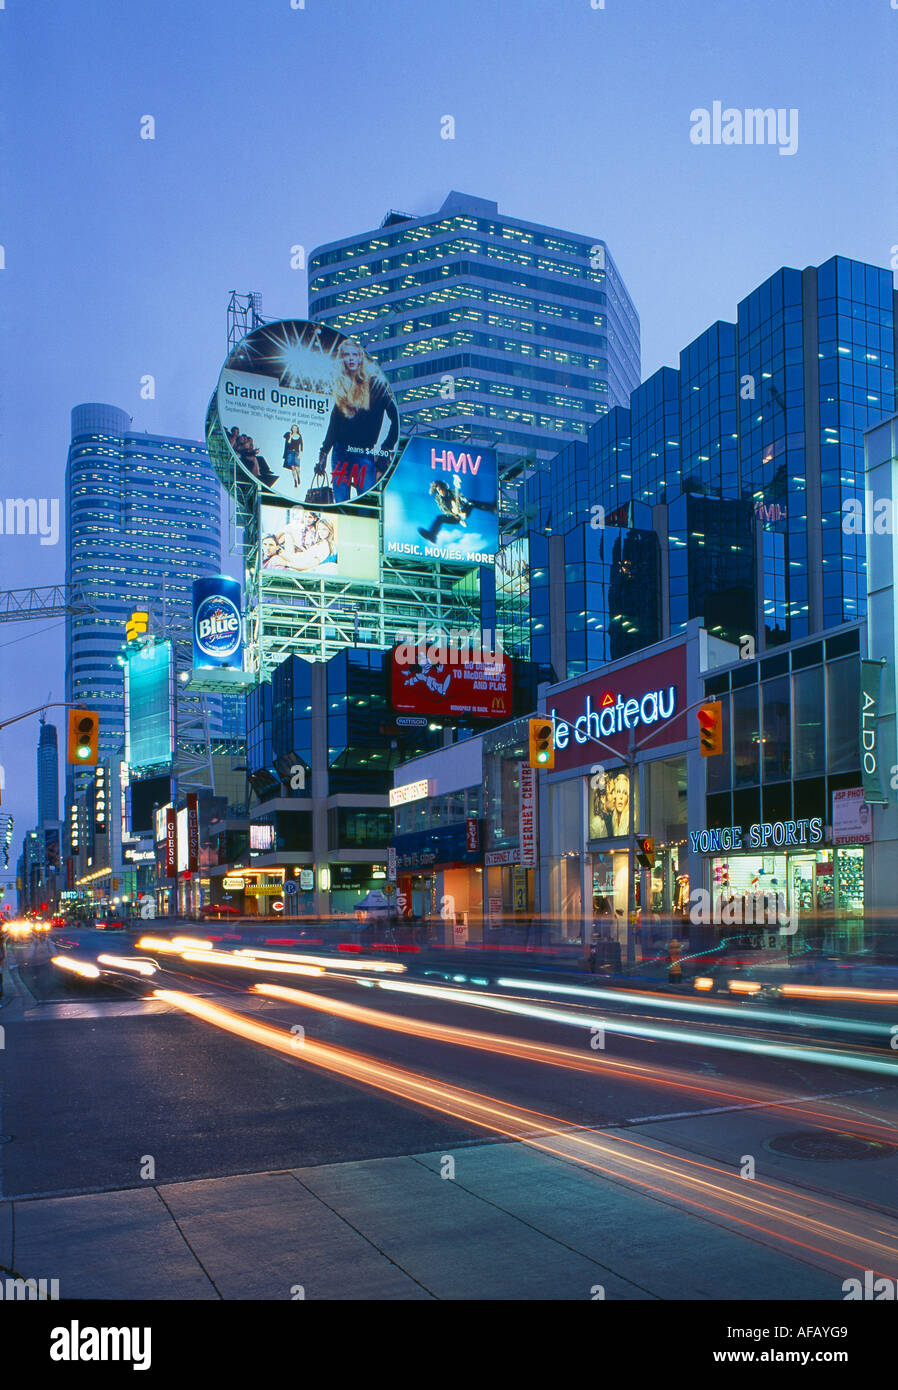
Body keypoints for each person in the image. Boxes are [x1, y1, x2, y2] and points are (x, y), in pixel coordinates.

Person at [317, 339, 400, 502]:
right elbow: (335, 421)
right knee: (341, 501)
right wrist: (324, 451)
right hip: (341, 451)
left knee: (366, 502)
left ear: (360, 357)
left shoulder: (376, 383)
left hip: (363, 451)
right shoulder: (341, 383)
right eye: (346, 355)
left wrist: (387, 446)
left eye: (354, 354)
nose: (351, 359)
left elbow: (395, 417)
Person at [417, 478, 497, 544]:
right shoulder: (438, 498)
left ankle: (492, 508)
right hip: (453, 517)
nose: (441, 491)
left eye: (442, 489)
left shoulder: (452, 492)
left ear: (445, 487)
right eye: (439, 490)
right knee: (440, 518)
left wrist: (462, 501)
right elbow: (443, 510)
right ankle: (432, 535)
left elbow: (462, 497)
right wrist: (453, 514)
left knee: (472, 502)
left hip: (462, 511)